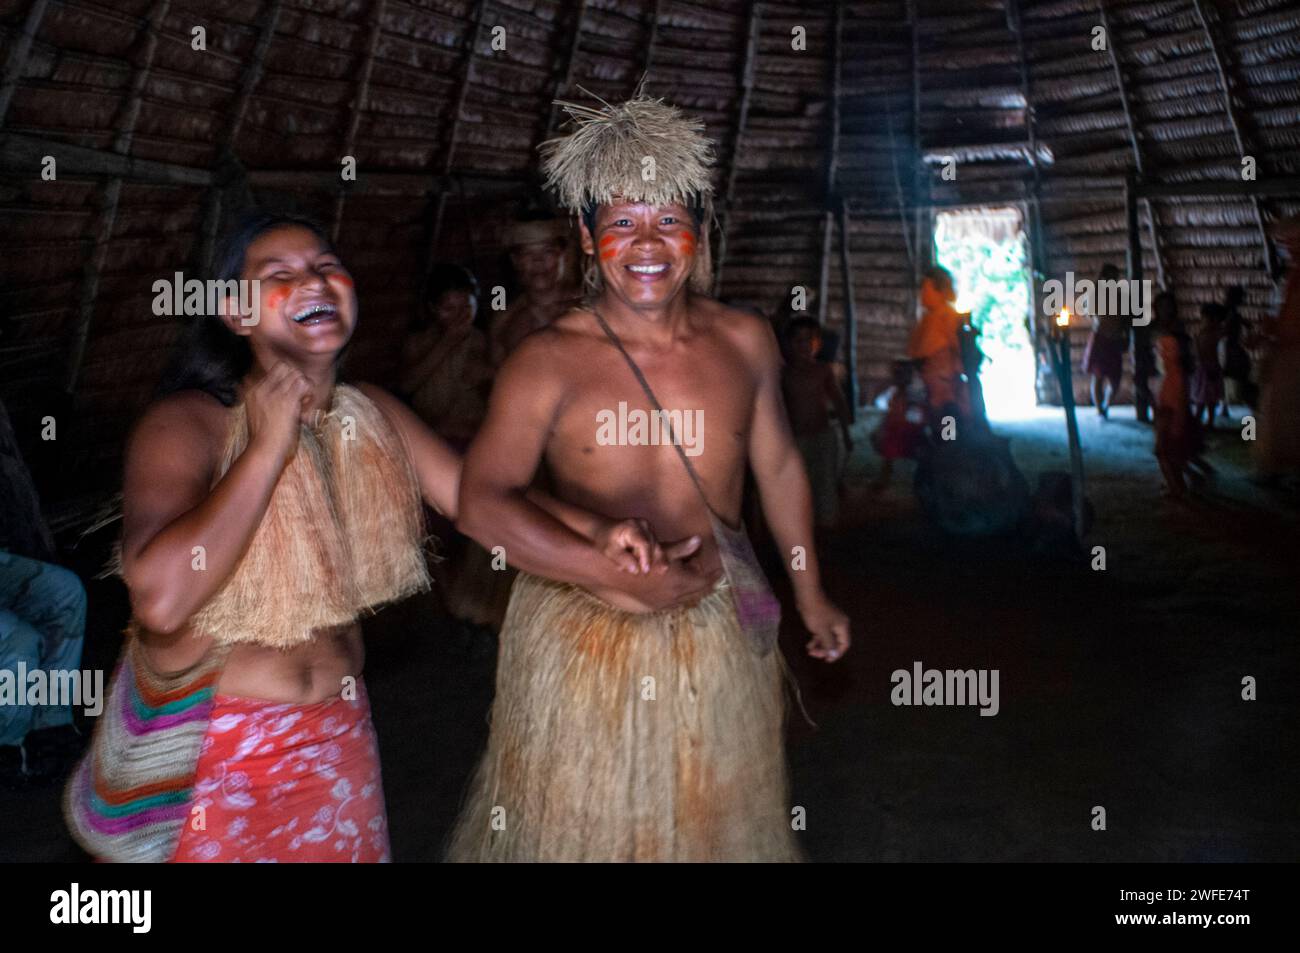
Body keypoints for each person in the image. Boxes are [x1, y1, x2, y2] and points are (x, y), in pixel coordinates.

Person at [64, 212, 665, 863]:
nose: (313, 281)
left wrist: (600, 533)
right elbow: (161, 600)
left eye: (325, 265)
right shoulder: (187, 425)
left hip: (336, 738)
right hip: (218, 753)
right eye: (280, 275)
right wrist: (267, 447)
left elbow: (478, 498)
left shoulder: (371, 414)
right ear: (235, 313)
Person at [448, 93, 850, 862]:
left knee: (714, 830)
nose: (648, 244)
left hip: (716, 619)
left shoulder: (745, 339)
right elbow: (481, 500)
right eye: (623, 223)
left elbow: (777, 465)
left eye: (668, 220)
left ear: (700, 231)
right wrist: (600, 567)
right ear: (585, 235)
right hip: (582, 634)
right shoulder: (547, 359)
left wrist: (808, 591)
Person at [400, 263, 492, 447]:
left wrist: (489, 374)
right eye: (449, 309)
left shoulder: (482, 340)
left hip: (474, 437)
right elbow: (407, 386)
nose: (459, 316)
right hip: (433, 438)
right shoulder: (419, 342)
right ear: (433, 308)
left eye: (466, 308)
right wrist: (447, 343)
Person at [782, 318, 853, 529]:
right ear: (789, 344)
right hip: (796, 441)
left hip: (824, 437)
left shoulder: (823, 371)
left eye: (809, 340)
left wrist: (847, 434)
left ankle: (826, 532)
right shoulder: (783, 374)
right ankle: (803, 531)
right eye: (799, 340)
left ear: (818, 344)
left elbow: (839, 401)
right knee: (800, 486)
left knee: (825, 485)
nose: (804, 346)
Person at [488, 212, 583, 365]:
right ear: (515, 261)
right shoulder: (504, 320)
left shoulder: (591, 306)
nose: (538, 262)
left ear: (563, 256)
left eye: (547, 252)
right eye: (528, 253)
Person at [1254, 216, 1300, 484]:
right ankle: (1278, 467)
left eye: (1290, 244)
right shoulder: (1289, 279)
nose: (1286, 249)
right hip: (1285, 357)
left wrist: (1273, 332)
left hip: (1293, 358)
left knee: (1288, 412)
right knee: (1279, 411)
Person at [1151, 292, 1207, 498]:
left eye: (1168, 306)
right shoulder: (1154, 330)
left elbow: (1184, 364)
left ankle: (1177, 486)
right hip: (1165, 388)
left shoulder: (1176, 336)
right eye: (1162, 306)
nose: (1165, 310)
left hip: (1172, 391)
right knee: (1169, 444)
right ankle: (1177, 483)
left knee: (1166, 447)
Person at [908, 266, 970, 423]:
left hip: (942, 376)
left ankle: (947, 440)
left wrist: (956, 369)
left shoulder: (947, 315)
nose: (922, 294)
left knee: (943, 411)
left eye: (926, 289)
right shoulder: (927, 318)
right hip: (924, 373)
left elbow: (956, 345)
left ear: (940, 292)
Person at [870, 360, 926, 491]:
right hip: (900, 431)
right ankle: (884, 480)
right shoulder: (898, 394)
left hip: (907, 431)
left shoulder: (909, 393)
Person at [1081, 263, 1127, 419]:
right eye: (1110, 276)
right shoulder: (1095, 294)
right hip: (1100, 338)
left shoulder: (1120, 295)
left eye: (1115, 277)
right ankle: (1100, 409)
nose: (1113, 279)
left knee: (1115, 379)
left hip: (1114, 340)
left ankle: (1106, 404)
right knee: (1098, 376)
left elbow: (1125, 318)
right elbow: (1088, 313)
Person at [1192, 303, 1226, 431]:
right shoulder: (1200, 334)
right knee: (1201, 399)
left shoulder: (1217, 334)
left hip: (1213, 368)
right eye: (1208, 318)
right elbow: (1197, 352)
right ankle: (1197, 420)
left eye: (1215, 319)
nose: (1211, 322)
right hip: (1203, 369)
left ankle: (1210, 421)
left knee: (1211, 399)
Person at [1220, 284, 1254, 413]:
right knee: (1237, 374)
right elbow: (1227, 330)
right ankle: (1247, 403)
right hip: (1230, 349)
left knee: (1229, 375)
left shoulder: (1229, 313)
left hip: (1228, 348)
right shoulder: (1231, 314)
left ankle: (1225, 406)